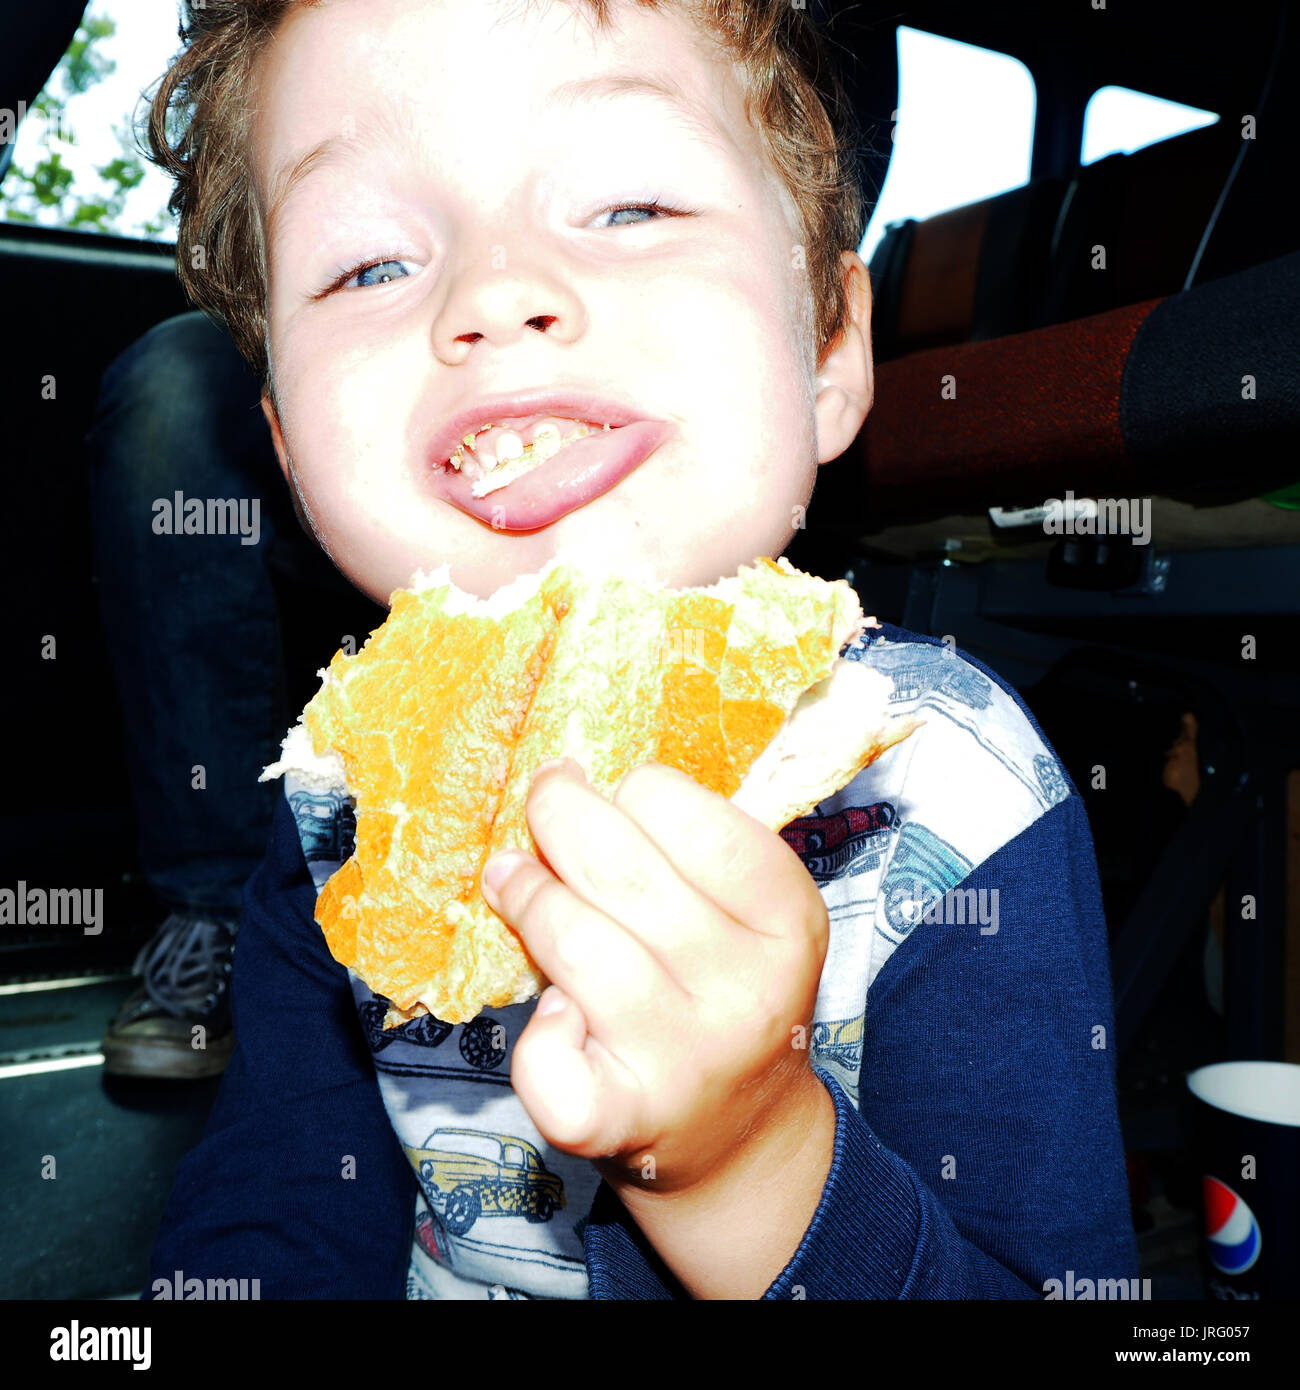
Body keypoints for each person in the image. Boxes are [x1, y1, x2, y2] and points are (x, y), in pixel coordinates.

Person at [143, 0, 1138, 1298]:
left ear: (833, 346)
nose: (495, 293)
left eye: (628, 208)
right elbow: (282, 1188)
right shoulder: (339, 800)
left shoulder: (955, 795)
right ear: (282, 445)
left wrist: (745, 1160)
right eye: (370, 263)